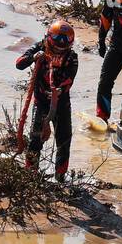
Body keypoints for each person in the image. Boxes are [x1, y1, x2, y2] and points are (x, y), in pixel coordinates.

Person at [17, 20, 78, 181]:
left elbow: (69, 81)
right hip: (41, 102)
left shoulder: (72, 57)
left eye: (65, 40)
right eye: (58, 38)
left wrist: (58, 90)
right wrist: (33, 57)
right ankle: (30, 176)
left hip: (61, 105)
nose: (61, 44)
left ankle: (60, 178)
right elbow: (19, 64)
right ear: (49, 37)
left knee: (64, 141)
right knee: (35, 139)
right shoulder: (40, 47)